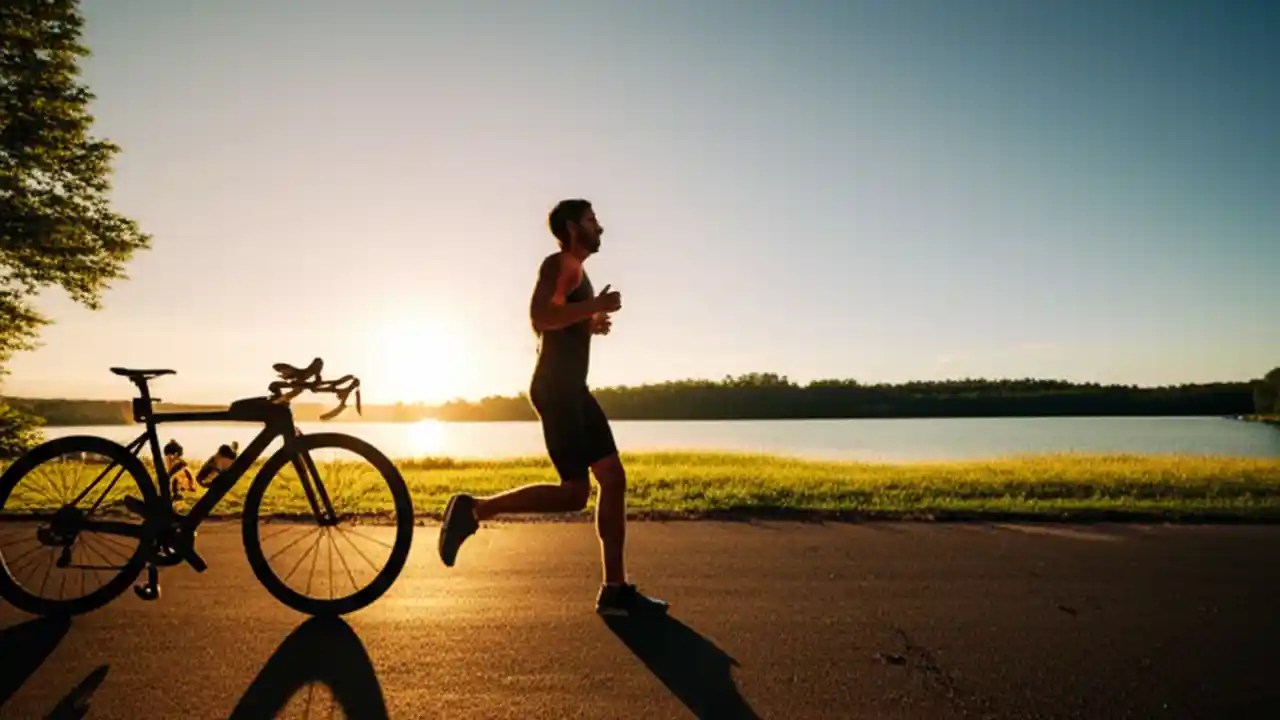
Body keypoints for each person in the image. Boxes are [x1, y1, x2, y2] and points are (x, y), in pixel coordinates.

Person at [437, 199, 668, 616]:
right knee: (574, 493)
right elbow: (542, 316)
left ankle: (615, 590)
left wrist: (591, 324)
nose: (601, 228)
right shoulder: (559, 263)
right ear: (571, 227)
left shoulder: (577, 272)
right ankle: (473, 509)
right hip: (557, 389)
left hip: (574, 390)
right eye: (592, 221)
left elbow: (561, 320)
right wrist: (594, 308)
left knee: (612, 479)